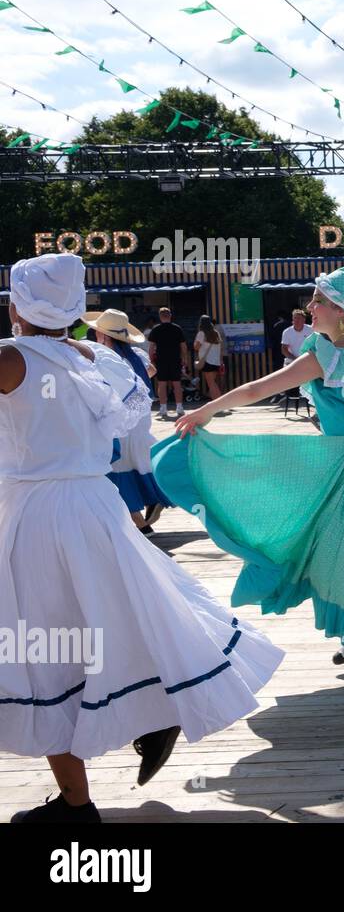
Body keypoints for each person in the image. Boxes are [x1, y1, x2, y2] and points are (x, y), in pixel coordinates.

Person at [1, 254, 282, 823]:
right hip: (96, 504)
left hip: (36, 512)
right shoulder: (95, 356)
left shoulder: (10, 358)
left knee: (42, 650)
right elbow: (123, 420)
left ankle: (77, 804)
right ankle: (156, 714)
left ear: (17, 306)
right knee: (117, 617)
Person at [153, 261, 344, 678]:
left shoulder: (322, 355)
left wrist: (206, 409)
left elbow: (260, 388)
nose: (310, 307)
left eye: (320, 301)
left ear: (343, 310)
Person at [82, 309, 171, 533]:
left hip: (120, 424)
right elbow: (152, 370)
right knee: (139, 466)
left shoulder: (103, 357)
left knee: (116, 472)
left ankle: (139, 524)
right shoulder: (136, 356)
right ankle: (147, 512)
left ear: (103, 335)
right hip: (141, 422)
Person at [148, 307, 189, 420]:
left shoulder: (156, 329)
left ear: (160, 316)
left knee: (162, 384)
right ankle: (179, 408)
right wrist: (185, 358)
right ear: (170, 315)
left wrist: (151, 360)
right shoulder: (177, 328)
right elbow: (183, 346)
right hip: (175, 359)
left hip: (161, 360)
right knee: (177, 384)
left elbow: (151, 347)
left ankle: (163, 408)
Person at [193, 315, 224, 400]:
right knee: (213, 383)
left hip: (207, 361)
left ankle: (217, 403)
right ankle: (218, 401)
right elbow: (221, 348)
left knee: (211, 383)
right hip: (216, 362)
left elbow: (196, 347)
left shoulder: (201, 333)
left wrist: (195, 343)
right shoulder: (216, 333)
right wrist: (221, 361)